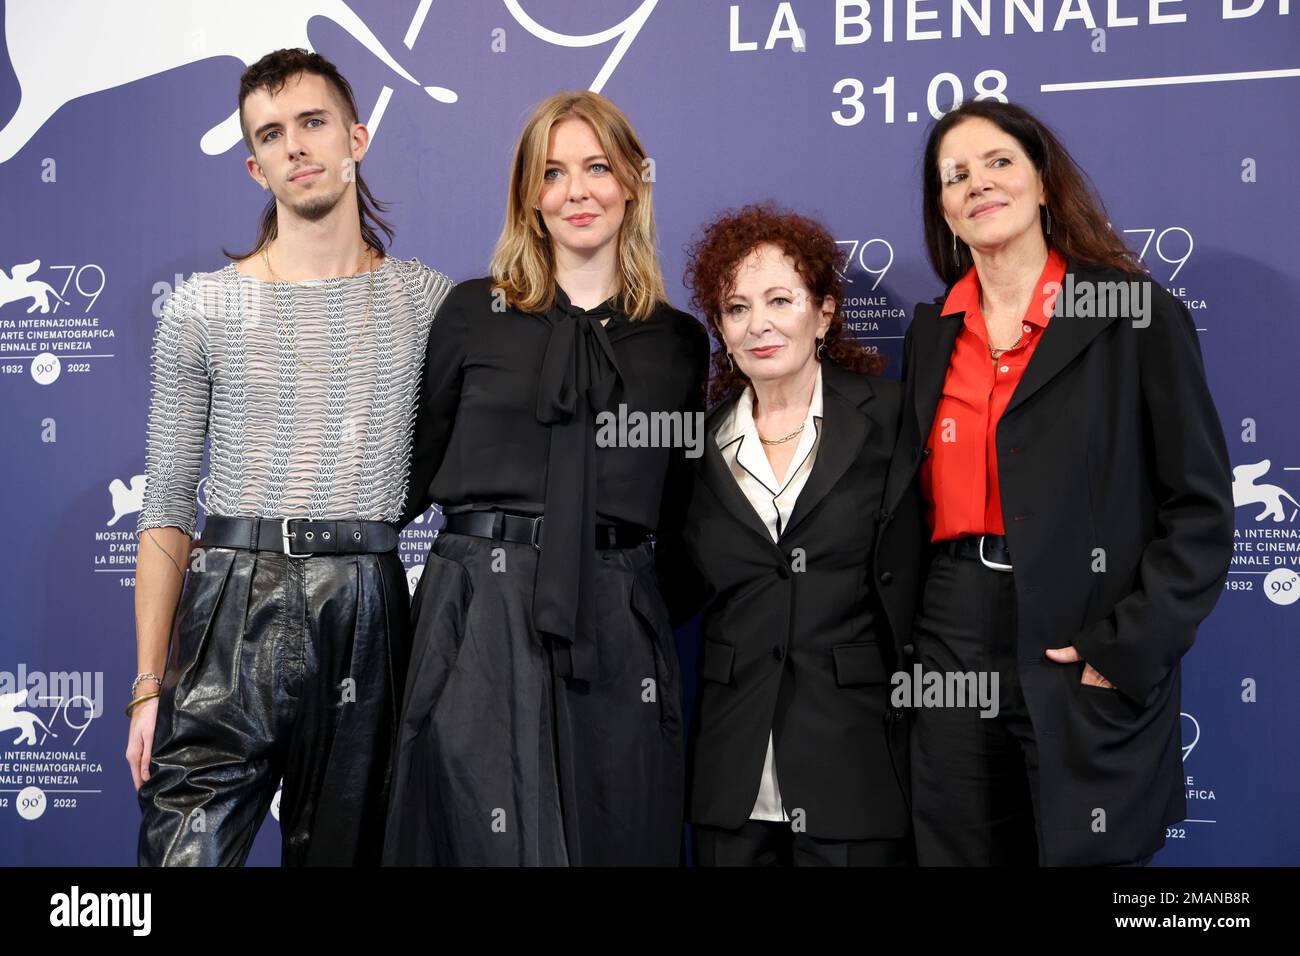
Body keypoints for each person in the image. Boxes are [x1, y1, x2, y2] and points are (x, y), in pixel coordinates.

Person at [874, 100, 1234, 866]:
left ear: (1042, 182)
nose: (978, 183)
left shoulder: (1133, 315)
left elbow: (1200, 510)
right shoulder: (934, 329)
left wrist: (1126, 648)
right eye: (955, 176)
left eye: (999, 162)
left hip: (1079, 632)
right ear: (943, 210)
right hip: (950, 635)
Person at [127, 48, 453, 866]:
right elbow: (167, 507)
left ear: (356, 138)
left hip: (368, 606)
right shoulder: (202, 307)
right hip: (230, 604)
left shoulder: (429, 303)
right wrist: (147, 685)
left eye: (313, 122)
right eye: (272, 134)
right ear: (255, 165)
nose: (296, 146)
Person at [383, 91, 709, 866]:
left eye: (597, 168)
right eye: (553, 173)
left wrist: (629, 604)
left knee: (617, 835)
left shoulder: (678, 341)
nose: (576, 192)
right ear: (530, 196)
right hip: (477, 611)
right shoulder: (472, 312)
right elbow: (410, 473)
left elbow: (685, 513)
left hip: (614, 620)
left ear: (632, 181)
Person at [678, 204, 915, 866]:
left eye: (780, 300)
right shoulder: (695, 444)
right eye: (736, 308)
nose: (759, 324)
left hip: (855, 767)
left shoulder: (892, 420)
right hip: (731, 775)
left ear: (824, 313)